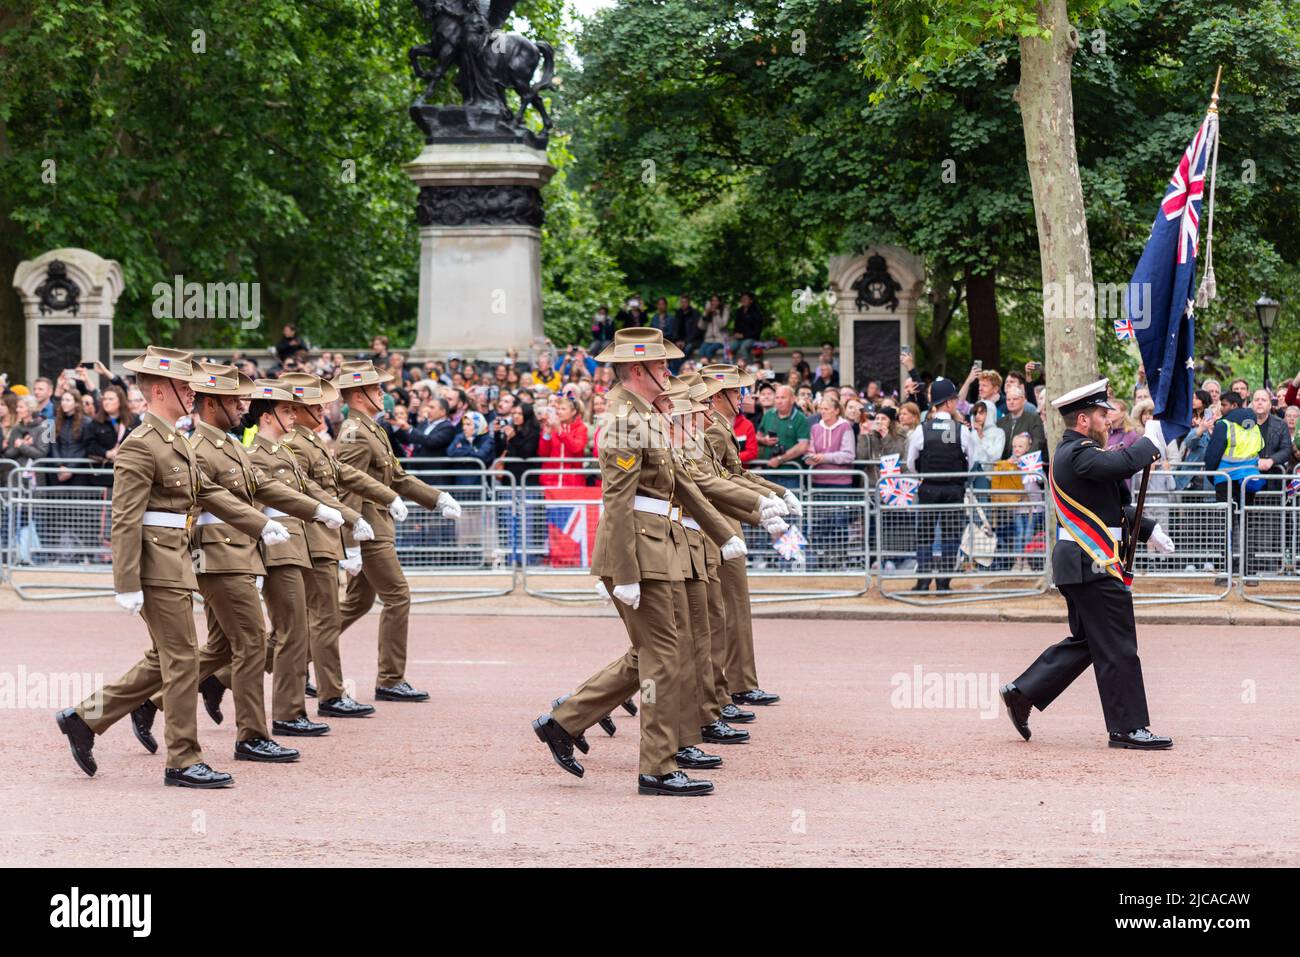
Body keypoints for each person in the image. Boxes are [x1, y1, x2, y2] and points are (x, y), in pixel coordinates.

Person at [56, 347, 289, 788]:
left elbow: (210, 494)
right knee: (182, 659)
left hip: (174, 562)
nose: (191, 392)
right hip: (155, 566)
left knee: (167, 658)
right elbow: (125, 517)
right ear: (160, 390)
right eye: (184, 386)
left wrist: (259, 525)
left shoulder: (175, 440)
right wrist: (125, 582)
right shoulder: (142, 445)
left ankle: (84, 719)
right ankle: (182, 760)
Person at [532, 328, 740, 796]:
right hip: (639, 553)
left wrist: (723, 533)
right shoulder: (626, 420)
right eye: (661, 365)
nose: (669, 372)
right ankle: (657, 768)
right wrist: (624, 574)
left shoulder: (644, 416)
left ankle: (564, 720)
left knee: (650, 654)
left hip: (657, 547)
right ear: (637, 369)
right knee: (663, 657)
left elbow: (680, 484)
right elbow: (619, 501)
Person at [131, 364, 356, 761]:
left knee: (226, 646)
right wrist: (125, 581)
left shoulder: (227, 444)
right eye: (236, 400)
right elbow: (179, 509)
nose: (243, 407)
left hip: (243, 550)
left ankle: (136, 706)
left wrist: (322, 511)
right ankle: (248, 733)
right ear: (213, 402)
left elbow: (262, 489)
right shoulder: (196, 444)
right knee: (253, 641)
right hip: (216, 556)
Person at [999, 378, 1174, 750]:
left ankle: (1023, 692)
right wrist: (1151, 440)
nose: (1108, 419)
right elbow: (1124, 462)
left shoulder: (1080, 453)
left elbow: (1111, 508)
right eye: (1101, 413)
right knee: (1118, 643)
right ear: (1083, 419)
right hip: (1090, 562)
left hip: (1082, 562)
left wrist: (1147, 528)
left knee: (1089, 641)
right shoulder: (1077, 453)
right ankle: (1128, 727)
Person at [336, 361, 462, 702]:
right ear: (359, 395)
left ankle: (293, 657)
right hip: (369, 529)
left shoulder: (372, 430)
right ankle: (390, 679)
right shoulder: (355, 432)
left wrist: (436, 499)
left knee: (357, 604)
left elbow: (397, 477)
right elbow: (348, 488)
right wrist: (351, 542)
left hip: (375, 525)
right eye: (376, 389)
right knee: (397, 596)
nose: (383, 394)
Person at [279, 373, 396, 717]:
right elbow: (303, 495)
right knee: (315, 622)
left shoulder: (312, 441)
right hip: (311, 538)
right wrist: (349, 526)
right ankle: (330, 695)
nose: (323, 409)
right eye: (315, 405)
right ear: (298, 411)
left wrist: (384, 498)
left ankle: (329, 691)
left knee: (319, 620)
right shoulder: (295, 444)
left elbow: (342, 478)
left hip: (324, 536)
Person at [905, 377, 977, 593]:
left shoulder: (922, 430)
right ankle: (944, 582)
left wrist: (925, 475)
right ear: (948, 402)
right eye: (954, 399)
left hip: (928, 488)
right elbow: (970, 460)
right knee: (950, 534)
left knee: (925, 533)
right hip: (954, 488)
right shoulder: (962, 430)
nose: (955, 402)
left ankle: (924, 581)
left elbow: (911, 462)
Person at [756, 385, 810, 490]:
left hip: (791, 475)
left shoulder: (801, 418)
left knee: (791, 506)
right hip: (769, 474)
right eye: (777, 397)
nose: (779, 401)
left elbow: (802, 446)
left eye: (783, 398)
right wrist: (764, 440)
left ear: (793, 399)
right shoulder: (768, 415)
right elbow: (757, 436)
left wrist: (780, 459)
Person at [536, 395, 590, 487]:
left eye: (563, 409)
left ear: (573, 412)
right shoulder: (552, 425)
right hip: (550, 481)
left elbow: (576, 448)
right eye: (558, 409)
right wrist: (547, 435)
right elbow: (543, 454)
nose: (559, 412)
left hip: (573, 482)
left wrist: (560, 431)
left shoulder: (581, 428)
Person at [804, 395, 854, 487]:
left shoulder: (845, 426)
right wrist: (810, 458)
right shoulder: (815, 428)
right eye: (821, 409)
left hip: (841, 482)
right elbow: (809, 452)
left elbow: (849, 455)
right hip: (817, 481)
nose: (822, 412)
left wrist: (823, 457)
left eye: (826, 409)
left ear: (836, 411)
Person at [997, 385, 1047, 460]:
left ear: (1023, 400)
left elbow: (1038, 442)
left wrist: (1023, 459)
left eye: (1015, 399)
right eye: (1008, 400)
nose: (1011, 402)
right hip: (1005, 466)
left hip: (1026, 465)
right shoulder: (1001, 422)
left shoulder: (1034, 419)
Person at [1251, 388, 1291, 475]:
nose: (1260, 402)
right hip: (1247, 475)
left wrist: (1272, 460)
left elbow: (1287, 450)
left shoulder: (1281, 424)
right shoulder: (1243, 424)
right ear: (1252, 404)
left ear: (1270, 405)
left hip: (1273, 476)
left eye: (1264, 400)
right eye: (1256, 400)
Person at [3, 395, 49, 464]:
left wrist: (22, 446)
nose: (17, 410)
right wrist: (22, 445)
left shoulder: (43, 428)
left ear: (30, 410)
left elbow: (41, 454)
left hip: (34, 472)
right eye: (17, 407)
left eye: (21, 407)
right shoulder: (16, 428)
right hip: (16, 472)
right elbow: (8, 454)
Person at [731, 291, 765, 362]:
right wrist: (735, 334)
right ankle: (733, 367)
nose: (743, 300)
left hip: (752, 338)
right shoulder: (739, 311)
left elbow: (757, 331)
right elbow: (736, 326)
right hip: (740, 338)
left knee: (744, 347)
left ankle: (749, 367)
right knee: (731, 347)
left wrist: (743, 335)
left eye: (746, 299)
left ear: (751, 300)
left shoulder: (756, 312)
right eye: (742, 299)